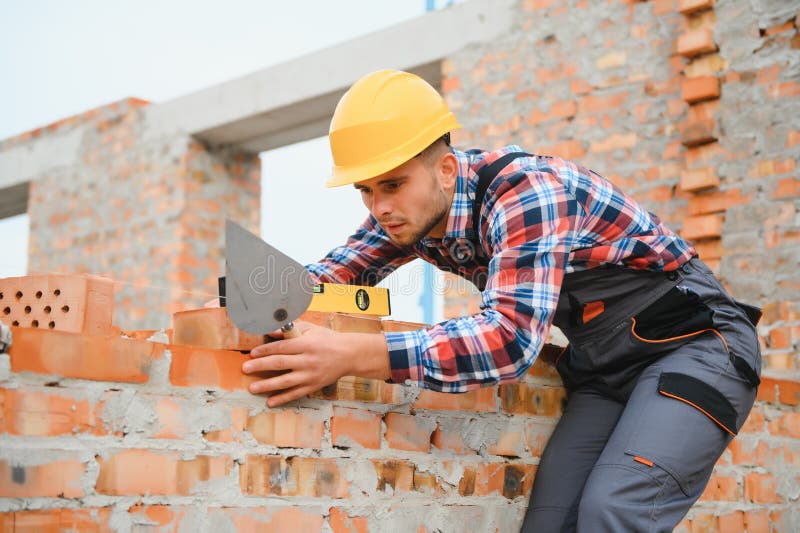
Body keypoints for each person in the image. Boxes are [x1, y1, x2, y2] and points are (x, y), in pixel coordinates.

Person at [240, 69, 761, 531]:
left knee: (613, 511)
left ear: (445, 170)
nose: (380, 208)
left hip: (697, 347)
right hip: (606, 369)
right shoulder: (408, 214)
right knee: (550, 523)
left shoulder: (527, 192)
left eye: (392, 185)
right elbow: (325, 278)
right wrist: (246, 298)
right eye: (366, 191)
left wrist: (351, 356)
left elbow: (510, 340)